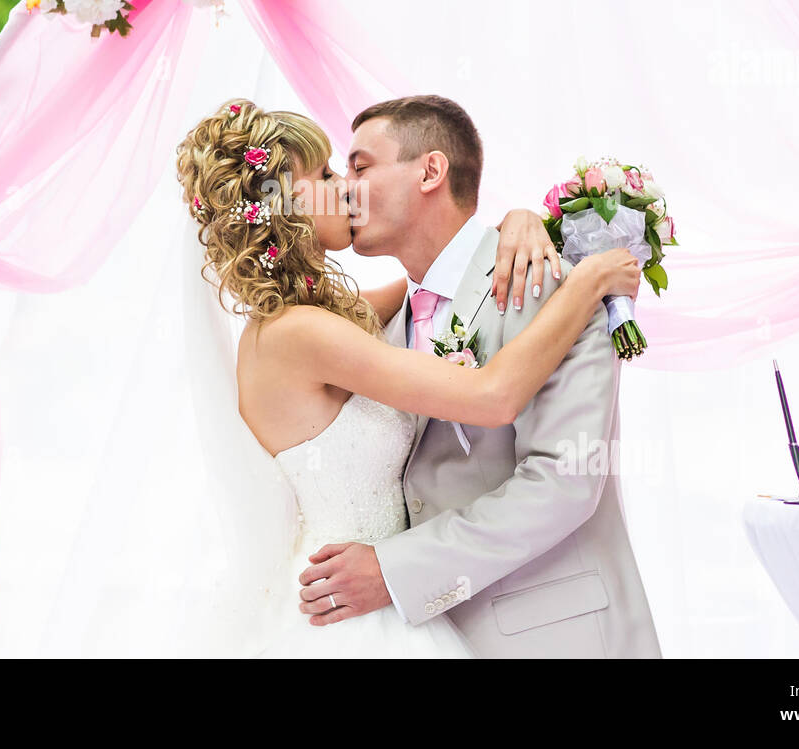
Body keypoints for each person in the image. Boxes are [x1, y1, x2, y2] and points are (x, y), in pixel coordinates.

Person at [175, 98, 642, 656]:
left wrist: (521, 223)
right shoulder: (298, 334)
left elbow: (446, 279)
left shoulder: (347, 317)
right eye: (327, 174)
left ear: (431, 170)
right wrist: (588, 283)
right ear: (279, 203)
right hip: (352, 613)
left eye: (356, 168)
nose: (345, 187)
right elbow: (492, 396)